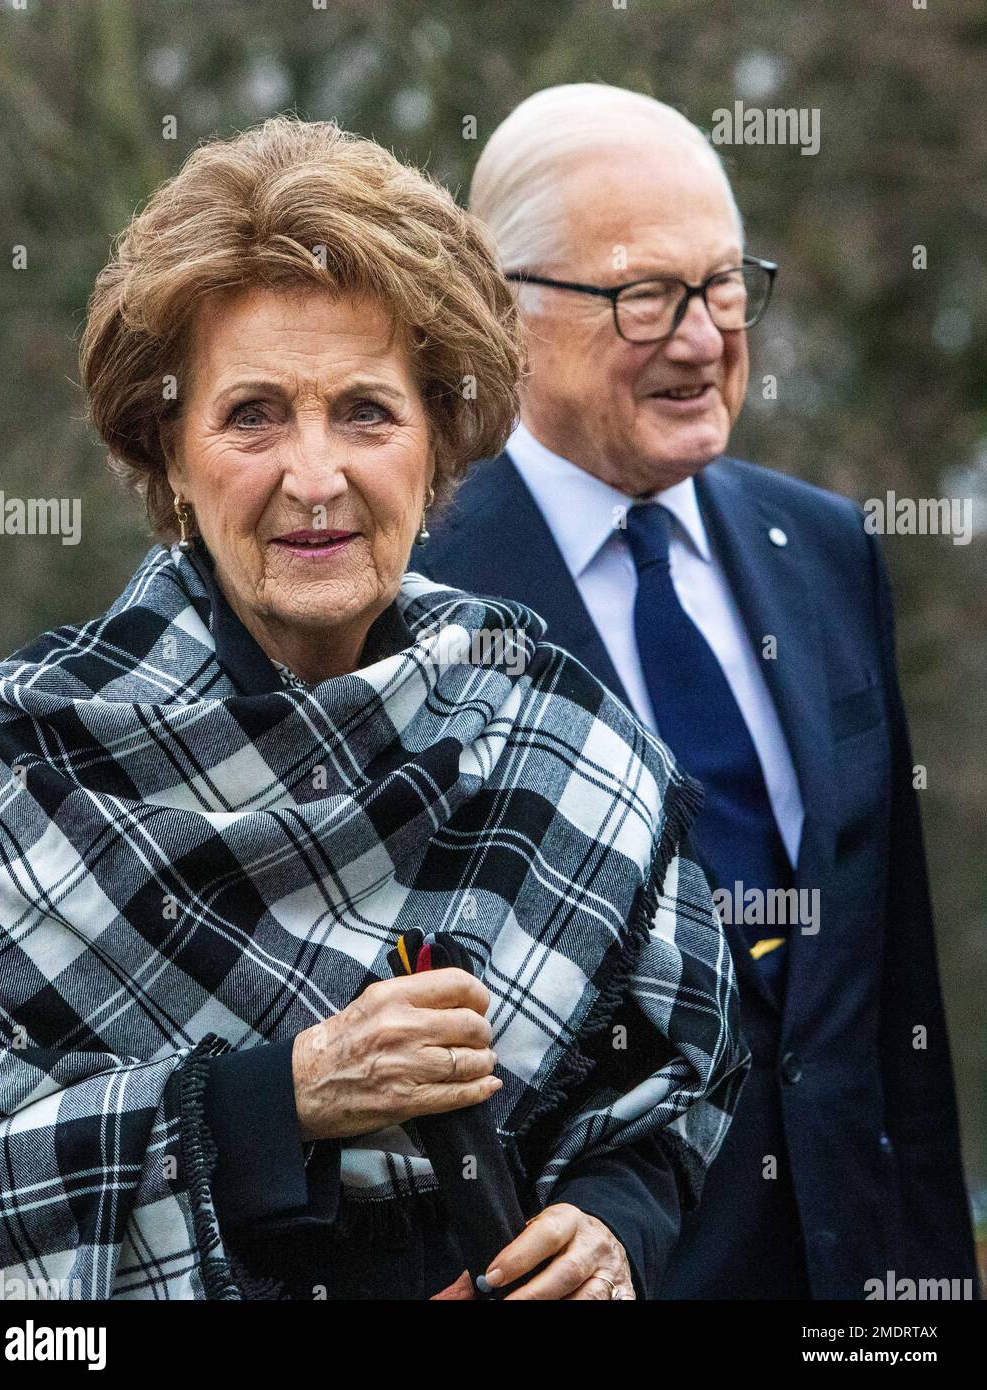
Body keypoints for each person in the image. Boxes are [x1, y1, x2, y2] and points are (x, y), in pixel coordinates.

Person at [0, 115, 747, 1302]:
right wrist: (283, 1093)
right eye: (252, 414)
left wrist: (609, 1224)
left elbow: (667, 1084)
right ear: (168, 453)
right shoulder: (23, 760)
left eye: (367, 413)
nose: (314, 477)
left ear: (437, 452)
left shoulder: (566, 738)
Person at [418, 83, 979, 1299]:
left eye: (725, 284)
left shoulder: (823, 548)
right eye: (642, 294)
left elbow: (895, 1003)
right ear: (502, 313)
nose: (702, 335)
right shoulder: (409, 589)